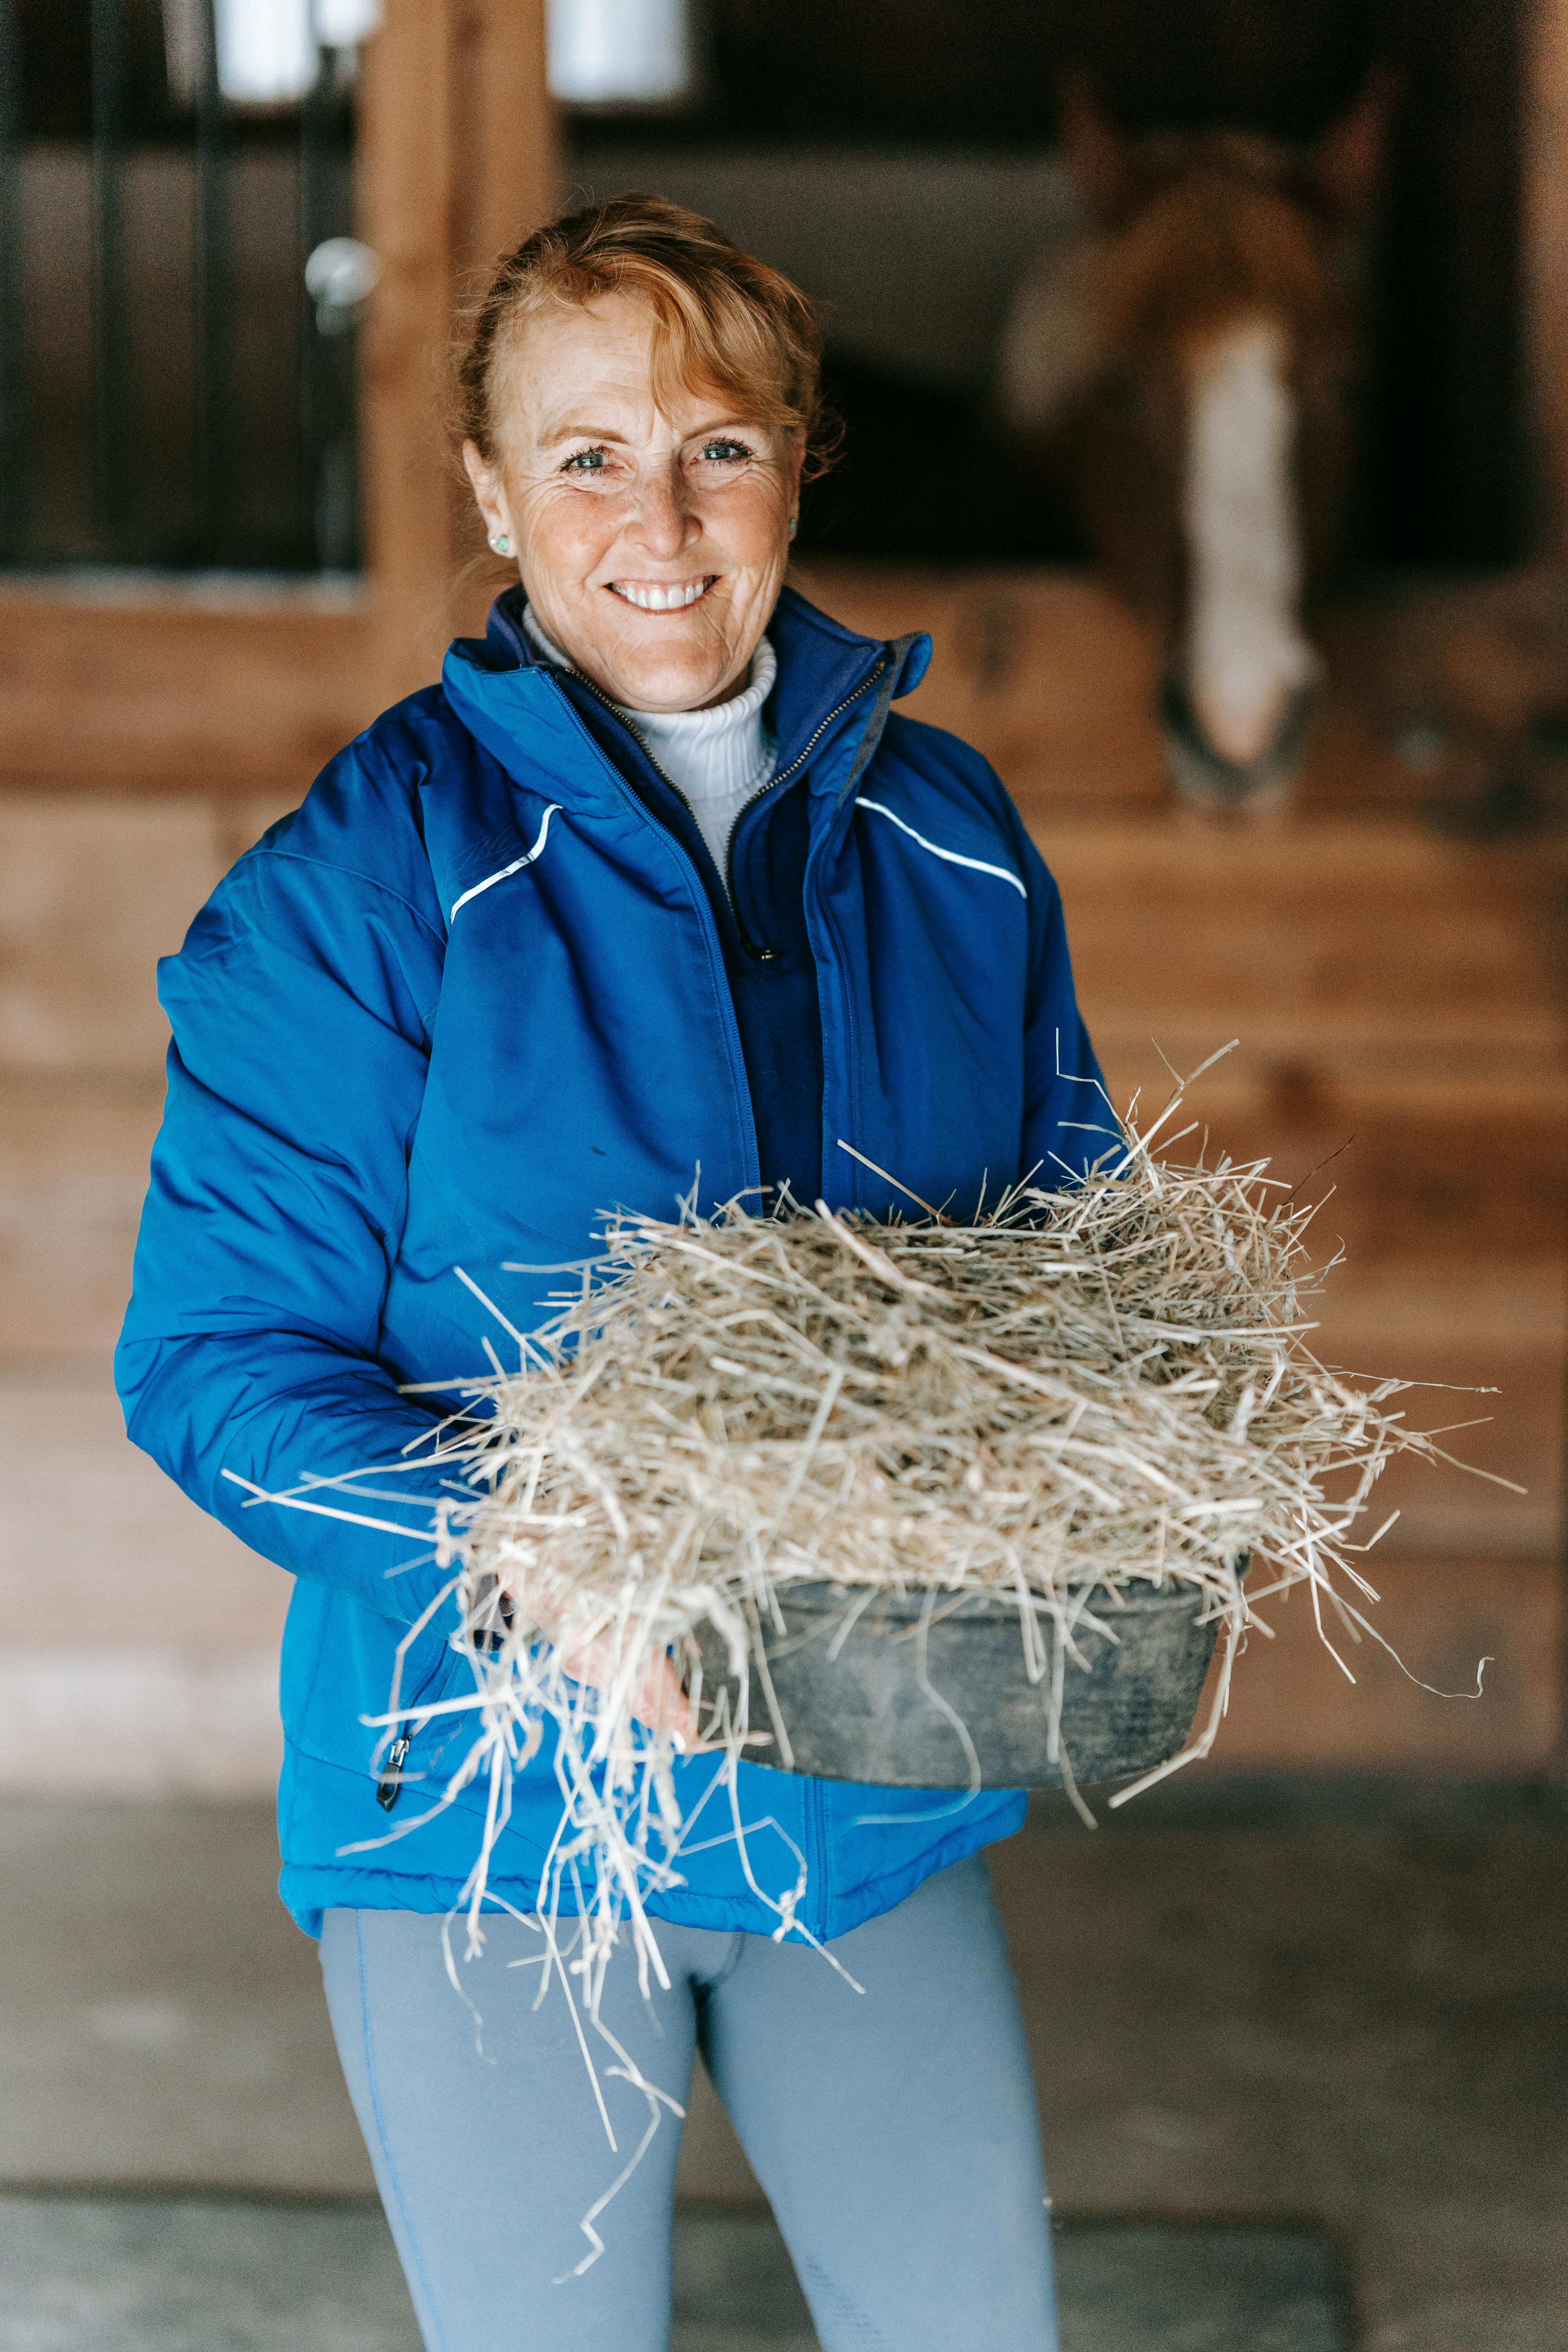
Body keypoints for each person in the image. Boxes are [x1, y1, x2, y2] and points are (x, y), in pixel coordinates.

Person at [117, 195, 1107, 2352]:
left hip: (869, 1793)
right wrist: (528, 1553)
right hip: (487, 1816)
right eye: (587, 456)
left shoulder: (948, 839)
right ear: (491, 490)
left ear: (795, 465)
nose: (661, 516)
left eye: (720, 446)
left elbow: (1075, 1260)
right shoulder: (369, 884)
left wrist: (1122, 1505)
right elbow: (210, 1362)